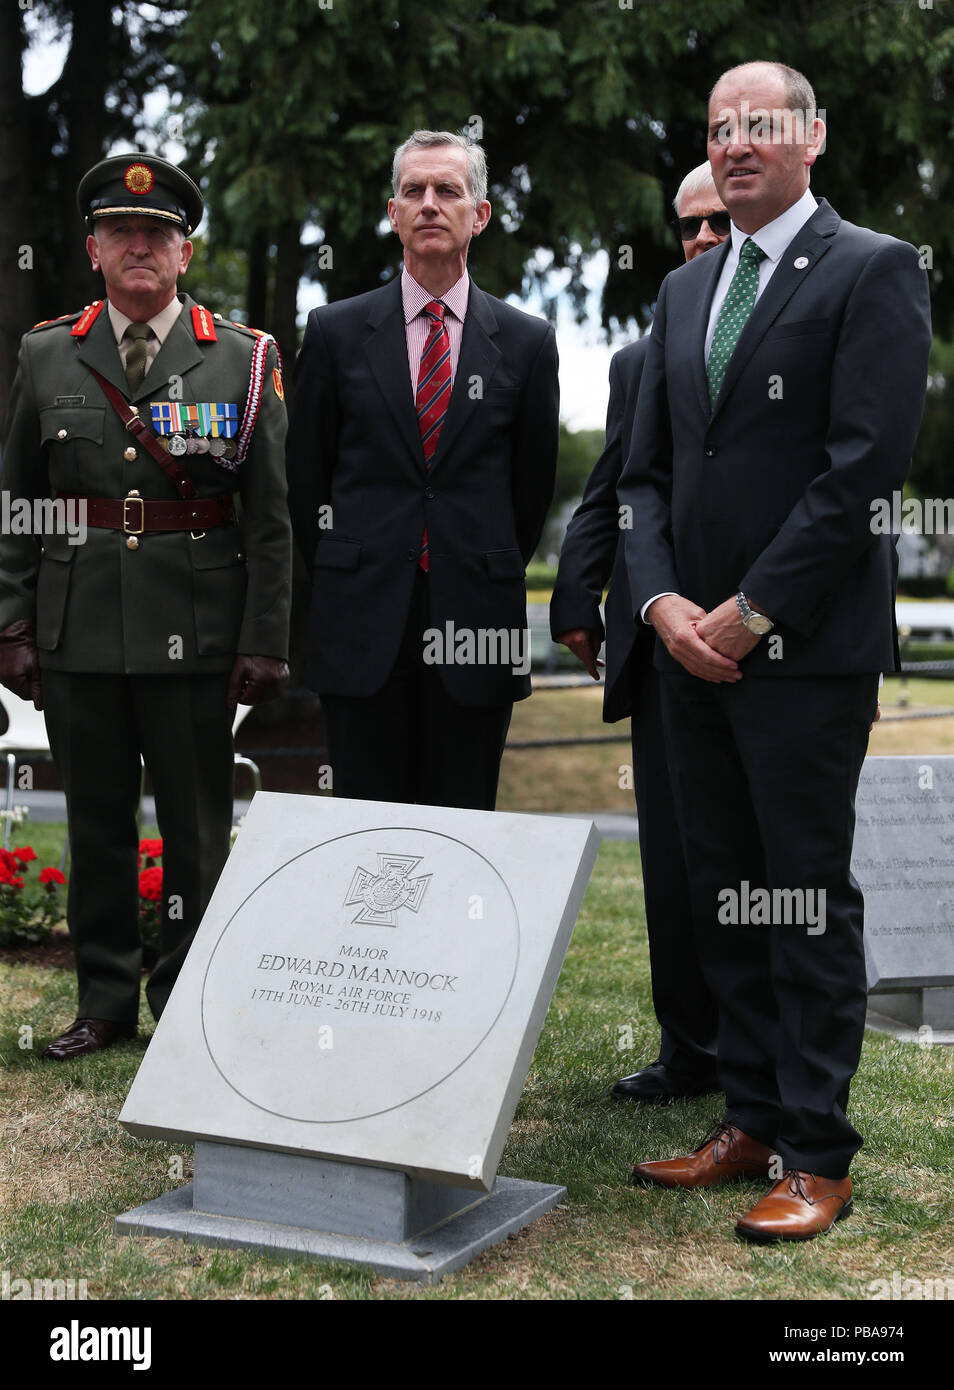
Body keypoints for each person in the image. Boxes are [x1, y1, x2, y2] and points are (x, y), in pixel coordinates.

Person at [618, 62, 931, 1240]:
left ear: (813, 138)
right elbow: (642, 480)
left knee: (798, 893)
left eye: (760, 126)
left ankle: (814, 1146)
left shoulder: (873, 269)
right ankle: (746, 1114)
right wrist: (661, 613)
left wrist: (745, 613)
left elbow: (860, 475)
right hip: (685, 650)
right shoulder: (684, 295)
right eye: (717, 130)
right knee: (722, 894)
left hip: (796, 652)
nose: (736, 145)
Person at [0, 153, 293, 1059]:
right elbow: (19, 498)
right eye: (121, 233)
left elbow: (273, 518)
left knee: (197, 830)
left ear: (185, 251)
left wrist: (265, 640)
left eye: (157, 234)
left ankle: (190, 1000)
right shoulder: (50, 351)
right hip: (77, 627)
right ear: (93, 249)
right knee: (95, 822)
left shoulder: (241, 359)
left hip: (197, 633)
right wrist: (12, 623)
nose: (139, 246)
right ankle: (104, 1005)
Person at [286, 130, 559, 810]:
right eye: (414, 191)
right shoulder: (334, 331)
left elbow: (530, 494)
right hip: (361, 621)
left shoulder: (527, 343)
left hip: (478, 620)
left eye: (448, 190)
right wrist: (350, 566)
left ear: (481, 213)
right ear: (392, 211)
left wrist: (472, 559)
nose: (430, 204)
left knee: (463, 830)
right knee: (366, 835)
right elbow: (306, 482)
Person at [550, 164, 728, 1104]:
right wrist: (578, 600)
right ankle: (687, 1049)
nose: (702, 238)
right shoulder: (637, 357)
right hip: (659, 643)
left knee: (758, 863)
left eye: (717, 221)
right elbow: (615, 487)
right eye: (688, 227)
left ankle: (761, 1059)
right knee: (670, 857)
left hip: (767, 649)